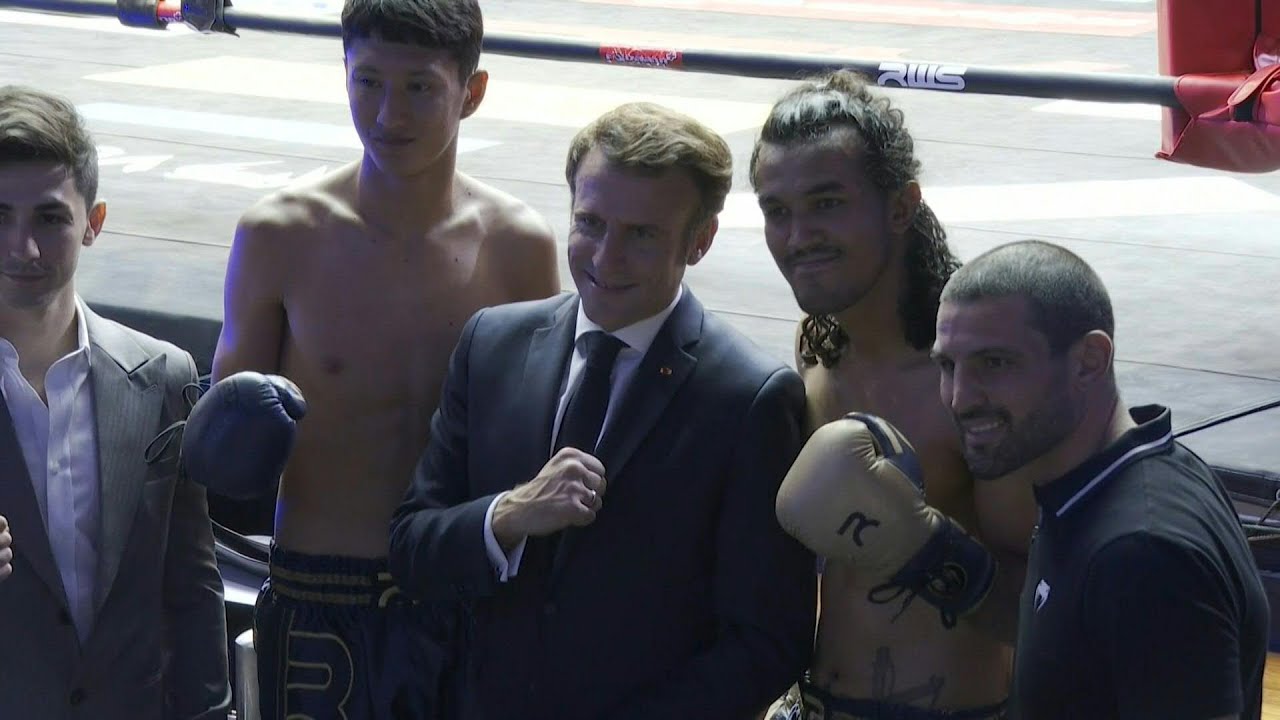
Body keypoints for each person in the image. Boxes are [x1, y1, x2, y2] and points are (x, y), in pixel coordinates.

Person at [387, 101, 817, 719]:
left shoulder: (748, 397)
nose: (605, 258)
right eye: (590, 222)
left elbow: (766, 641)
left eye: (642, 234)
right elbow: (411, 548)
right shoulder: (492, 345)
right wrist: (507, 516)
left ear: (700, 241)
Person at [200, 0, 561, 716]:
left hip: (465, 592)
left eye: (420, 86)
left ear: (473, 92)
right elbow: (219, 461)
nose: (388, 112)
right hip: (320, 596)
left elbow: (537, 440)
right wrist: (229, 429)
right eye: (367, 82)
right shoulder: (280, 235)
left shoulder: (520, 247)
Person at [750, 70, 1038, 719]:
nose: (797, 237)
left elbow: (1045, 609)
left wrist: (926, 549)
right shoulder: (816, 346)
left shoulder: (977, 378)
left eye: (826, 203)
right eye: (776, 210)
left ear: (901, 206)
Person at [931, 239, 1269, 720]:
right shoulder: (1118, 482)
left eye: (995, 363)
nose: (959, 398)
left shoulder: (1142, 554)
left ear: (1089, 359)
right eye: (947, 365)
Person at [0, 85, 230, 718]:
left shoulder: (162, 377)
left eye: (49, 218)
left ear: (93, 223)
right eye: (0, 217)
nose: (24, 249)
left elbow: (192, 584)